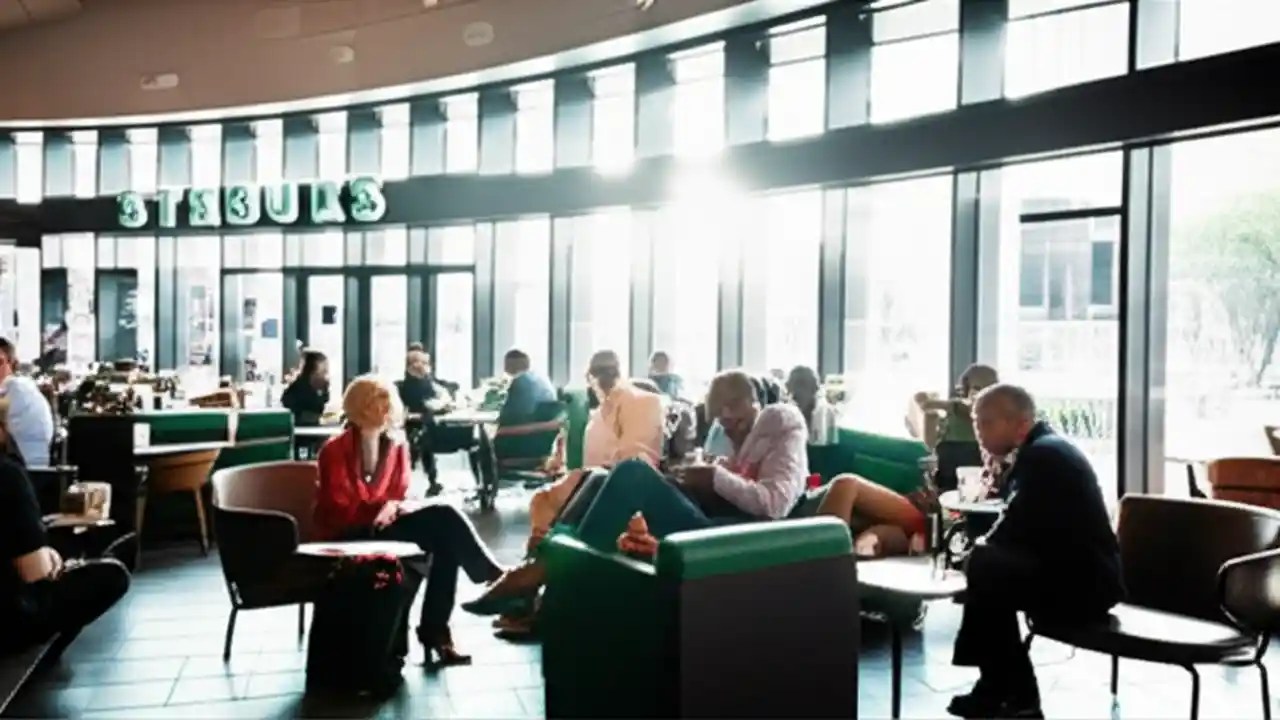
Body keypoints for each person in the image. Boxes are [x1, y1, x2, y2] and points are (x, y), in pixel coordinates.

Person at [465, 369, 808, 614]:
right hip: (712, 517)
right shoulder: (731, 434)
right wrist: (693, 479)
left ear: (756, 401)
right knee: (600, 477)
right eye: (722, 416)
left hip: (740, 535)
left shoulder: (783, 429)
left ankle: (541, 576)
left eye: (737, 413)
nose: (730, 422)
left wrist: (715, 476)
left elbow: (774, 505)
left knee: (632, 472)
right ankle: (541, 569)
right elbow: (726, 481)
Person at [948, 384, 1122, 719]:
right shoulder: (1045, 449)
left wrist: (971, 561)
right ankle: (1005, 692)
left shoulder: (1042, 456)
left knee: (985, 566)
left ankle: (1007, 692)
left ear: (1021, 424)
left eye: (986, 422)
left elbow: (1013, 527)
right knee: (988, 571)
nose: (978, 431)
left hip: (1087, 586)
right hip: (1081, 575)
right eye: (976, 422)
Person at [314, 375, 506, 665]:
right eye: (376, 403)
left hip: (384, 525)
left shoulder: (396, 447)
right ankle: (480, 587)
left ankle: (438, 628)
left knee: (445, 533)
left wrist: (391, 506)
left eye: (387, 403)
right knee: (444, 524)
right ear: (360, 407)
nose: (385, 410)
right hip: (347, 531)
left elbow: (398, 493)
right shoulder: (334, 450)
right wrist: (381, 508)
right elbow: (341, 506)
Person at [0, 422, 131, 658]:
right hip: (9, 623)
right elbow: (35, 573)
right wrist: (52, 561)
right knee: (112, 574)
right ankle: (42, 657)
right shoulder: (8, 476)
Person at [910, 363, 998, 492]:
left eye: (987, 389)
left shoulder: (985, 410)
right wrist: (929, 414)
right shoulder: (956, 411)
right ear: (966, 389)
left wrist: (939, 404)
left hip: (973, 461)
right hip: (949, 460)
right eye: (976, 389)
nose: (980, 395)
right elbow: (931, 441)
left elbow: (967, 408)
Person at [398, 347, 458, 497]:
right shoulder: (408, 386)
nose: (422, 366)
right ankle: (430, 480)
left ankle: (431, 480)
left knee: (424, 443)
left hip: (425, 426)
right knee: (423, 443)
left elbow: (442, 395)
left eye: (424, 363)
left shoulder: (429, 383)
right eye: (417, 363)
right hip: (413, 426)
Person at [0, 337, 54, 467]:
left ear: (10, 362)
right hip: (31, 469)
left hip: (19, 470)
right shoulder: (25, 387)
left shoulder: (15, 388)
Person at [497, 349, 557, 427]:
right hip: (545, 429)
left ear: (510, 365)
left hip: (523, 428)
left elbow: (508, 414)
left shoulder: (519, 382)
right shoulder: (542, 378)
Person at [786, 366, 839, 446]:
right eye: (791, 387)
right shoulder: (786, 416)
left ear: (814, 389)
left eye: (800, 385)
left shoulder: (828, 414)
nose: (794, 393)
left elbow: (834, 447)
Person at [280, 349, 330, 426]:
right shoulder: (297, 389)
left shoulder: (321, 386)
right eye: (322, 371)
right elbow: (292, 412)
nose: (325, 374)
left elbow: (322, 405)